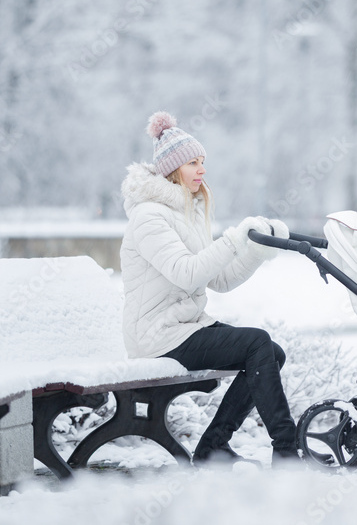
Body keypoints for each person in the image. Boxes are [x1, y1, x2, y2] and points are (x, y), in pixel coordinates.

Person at [119, 111, 298, 465]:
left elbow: (220, 279)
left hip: (184, 327)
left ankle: (213, 445)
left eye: (202, 162)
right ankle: (287, 452)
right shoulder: (149, 217)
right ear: (173, 169)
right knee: (257, 343)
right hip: (157, 336)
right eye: (193, 163)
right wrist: (235, 237)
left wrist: (257, 250)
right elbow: (187, 274)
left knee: (269, 352)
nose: (202, 170)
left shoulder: (188, 212)